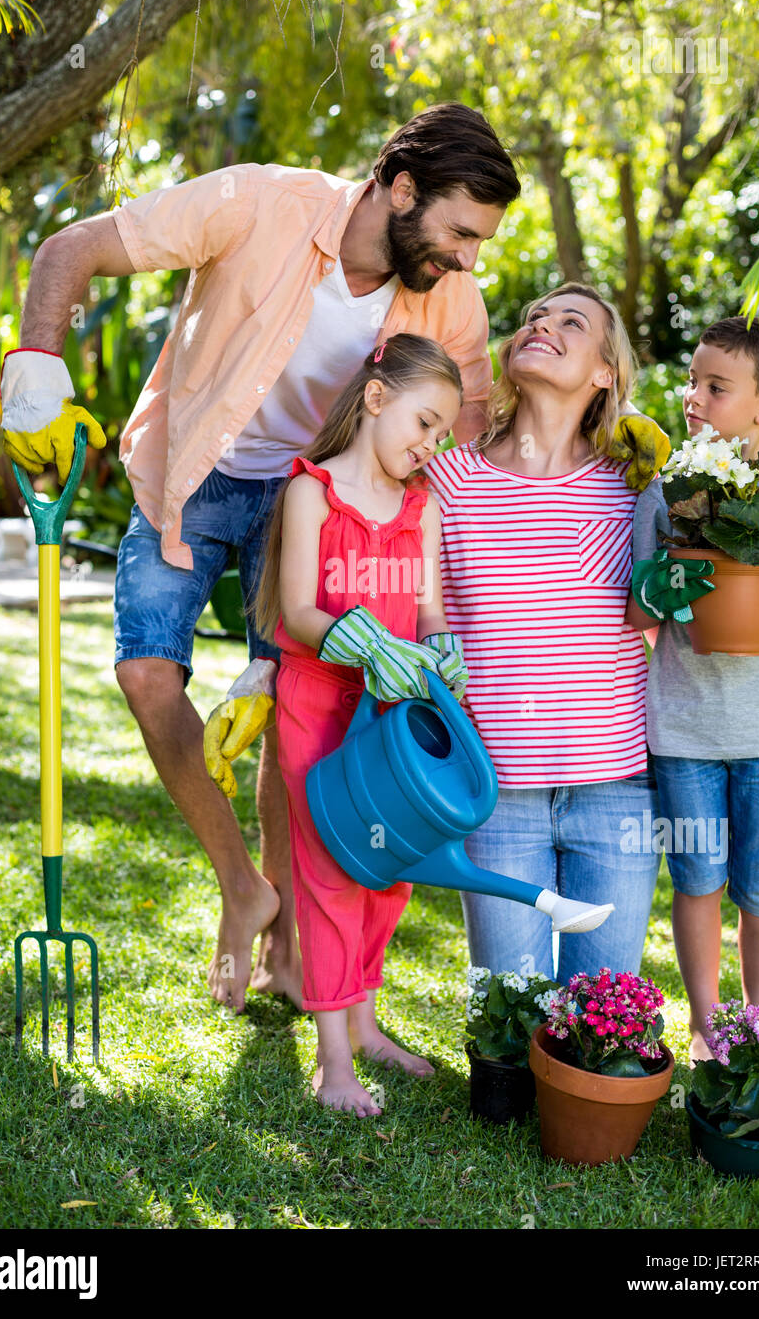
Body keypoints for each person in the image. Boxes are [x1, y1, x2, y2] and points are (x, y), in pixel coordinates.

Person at [0, 104, 521, 1011]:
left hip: (311, 501)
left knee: (292, 709)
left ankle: (287, 950)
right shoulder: (257, 202)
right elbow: (66, 252)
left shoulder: (453, 300)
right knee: (146, 675)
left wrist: (585, 440)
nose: (467, 259)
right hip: (194, 477)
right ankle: (244, 884)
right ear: (400, 188)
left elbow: (464, 430)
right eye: (459, 232)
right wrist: (36, 383)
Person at [249, 334, 468, 1115]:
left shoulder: (422, 507)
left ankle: (368, 1026)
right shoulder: (311, 491)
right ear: (377, 399)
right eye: (423, 423)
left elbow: (433, 609)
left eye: (441, 434)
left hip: (394, 719)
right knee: (332, 873)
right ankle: (333, 1060)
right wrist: (370, 642)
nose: (429, 445)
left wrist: (443, 656)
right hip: (320, 704)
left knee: (389, 872)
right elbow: (302, 608)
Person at [425, 283, 666, 983]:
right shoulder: (447, 479)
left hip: (619, 785)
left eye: (572, 322)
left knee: (602, 1023)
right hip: (494, 787)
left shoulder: (636, 484)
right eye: (535, 317)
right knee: (508, 1018)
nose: (543, 325)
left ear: (605, 374)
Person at [627, 316, 759, 1066]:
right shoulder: (665, 494)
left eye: (716, 386)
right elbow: (636, 610)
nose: (694, 396)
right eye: (692, 380)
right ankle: (707, 1025)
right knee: (696, 881)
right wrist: (660, 589)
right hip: (684, 732)